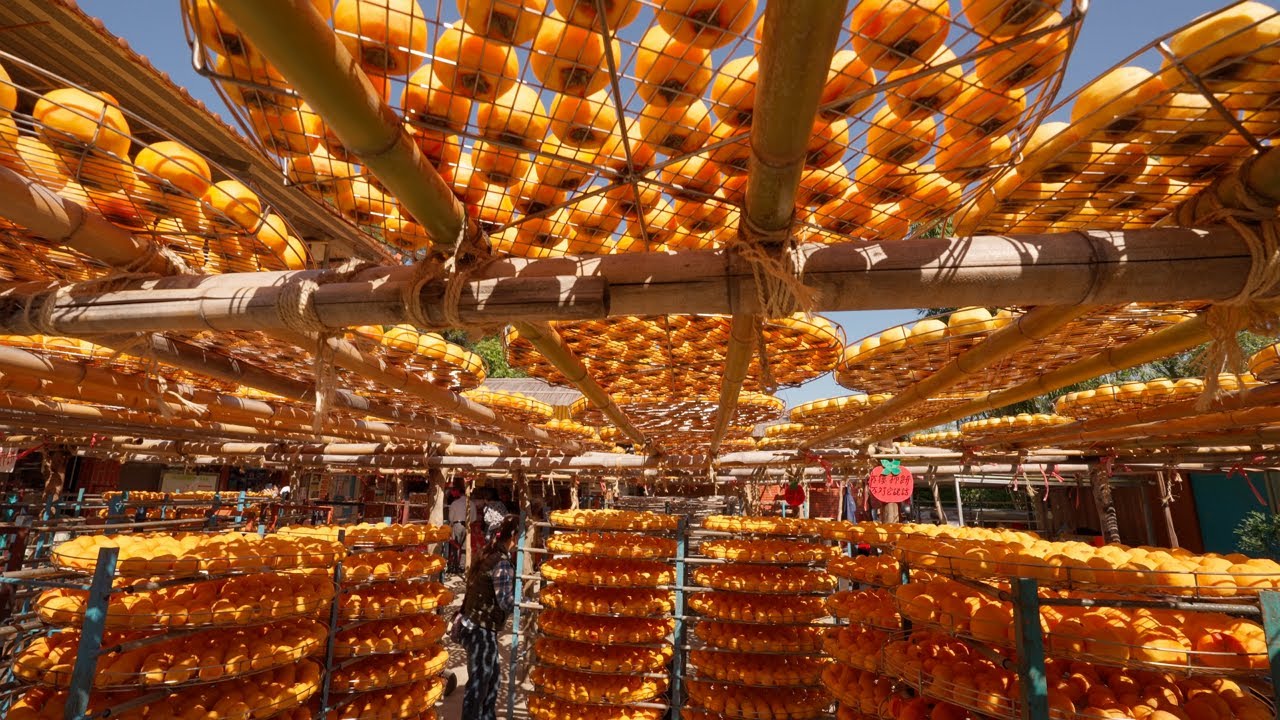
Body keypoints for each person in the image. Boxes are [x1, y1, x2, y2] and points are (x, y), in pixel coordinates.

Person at [458, 514, 519, 720]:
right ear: (514, 536)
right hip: (480, 629)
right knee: (480, 682)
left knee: (492, 679)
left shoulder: (490, 553)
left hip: (477, 625)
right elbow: (505, 601)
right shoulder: (501, 563)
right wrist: (524, 604)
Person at [446, 488, 469, 573]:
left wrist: (451, 524)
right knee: (464, 547)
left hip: (457, 524)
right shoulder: (471, 503)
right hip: (468, 525)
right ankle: (462, 566)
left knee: (455, 546)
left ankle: (454, 566)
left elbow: (450, 517)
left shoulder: (455, 503)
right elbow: (474, 518)